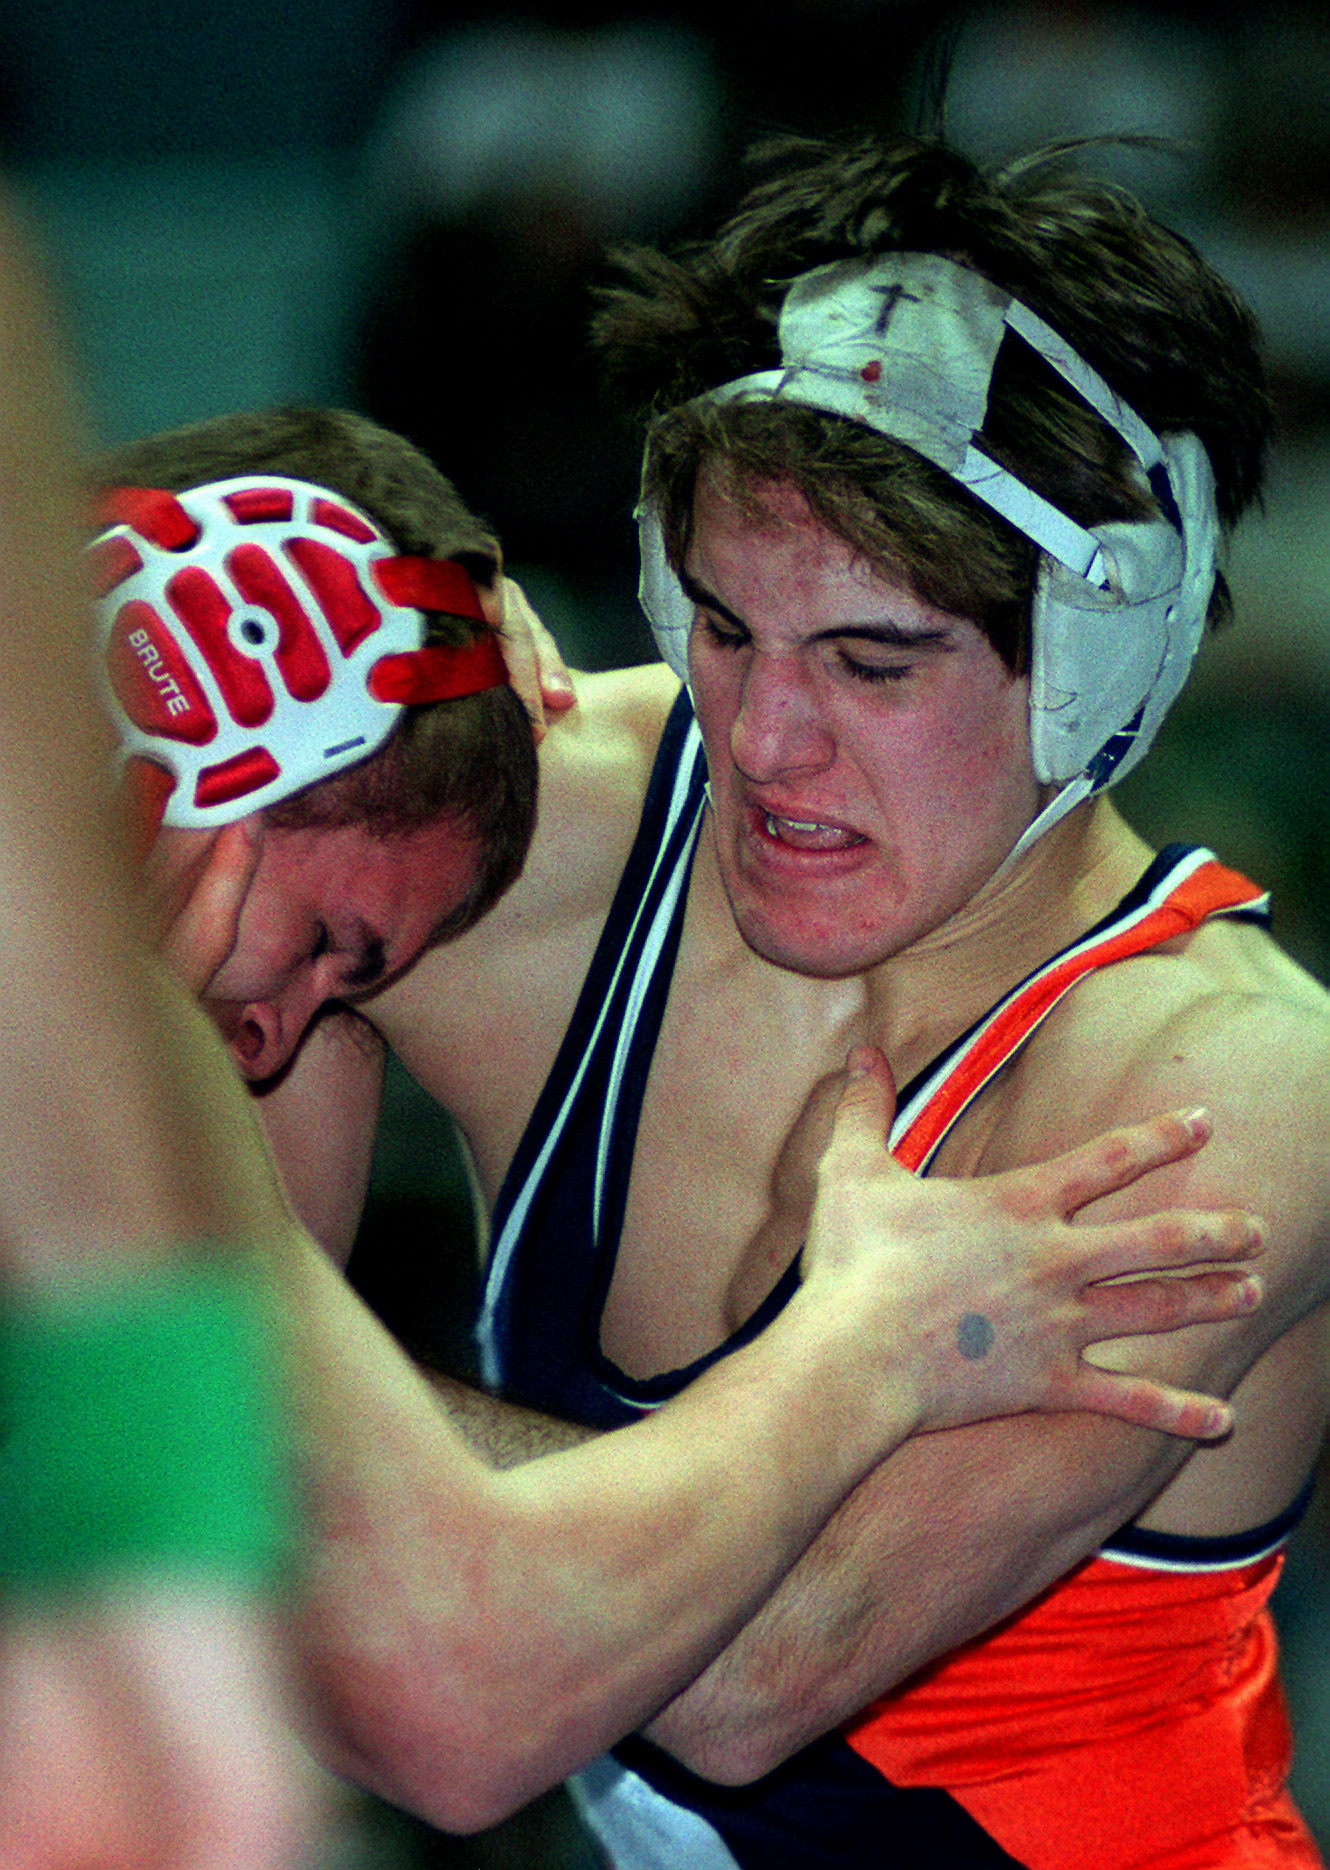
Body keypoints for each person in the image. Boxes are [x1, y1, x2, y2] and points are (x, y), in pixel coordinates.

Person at [216, 136, 1327, 1867]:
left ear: (1099, 668)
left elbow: (737, 1674)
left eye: (872, 662)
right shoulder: (539, 832)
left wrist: (205, 1301)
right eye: (722, 628)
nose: (762, 738)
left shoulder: (1226, 1088)